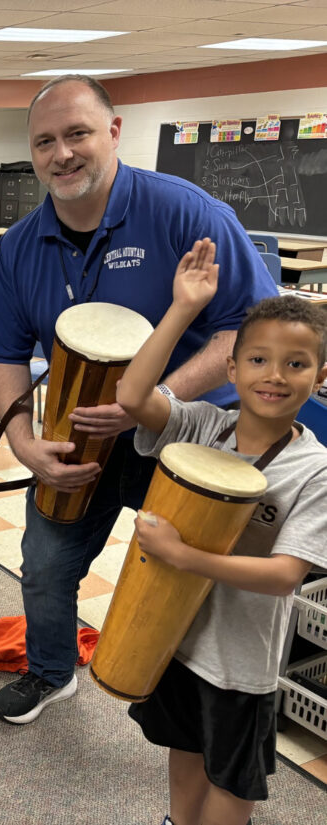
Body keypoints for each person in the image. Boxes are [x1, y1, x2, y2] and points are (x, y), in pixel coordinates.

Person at [0, 74, 278, 725]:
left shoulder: (188, 215)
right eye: (45, 141)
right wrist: (25, 443)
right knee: (44, 564)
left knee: (183, 580)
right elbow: (2, 352)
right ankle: (53, 671)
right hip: (76, 437)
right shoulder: (21, 248)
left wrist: (158, 400)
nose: (62, 153)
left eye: (78, 133)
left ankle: (188, 696)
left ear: (114, 132)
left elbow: (249, 331)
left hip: (187, 440)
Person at [115, 239, 327, 825]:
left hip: (240, 662)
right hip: (180, 639)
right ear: (231, 367)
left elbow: (285, 577)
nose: (275, 377)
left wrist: (184, 556)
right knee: (183, 750)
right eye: (257, 360)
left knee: (232, 782)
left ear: (320, 373)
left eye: (296, 363)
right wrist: (182, 309)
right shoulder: (204, 423)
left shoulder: (315, 470)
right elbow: (132, 396)